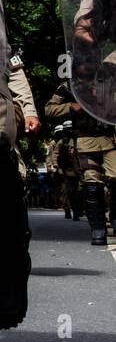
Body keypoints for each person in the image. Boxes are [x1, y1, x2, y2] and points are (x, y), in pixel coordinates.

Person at [45, 81, 113, 246]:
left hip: (110, 139)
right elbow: (49, 109)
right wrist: (71, 106)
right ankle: (98, 230)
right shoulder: (69, 86)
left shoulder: (109, 79)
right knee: (91, 186)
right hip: (85, 142)